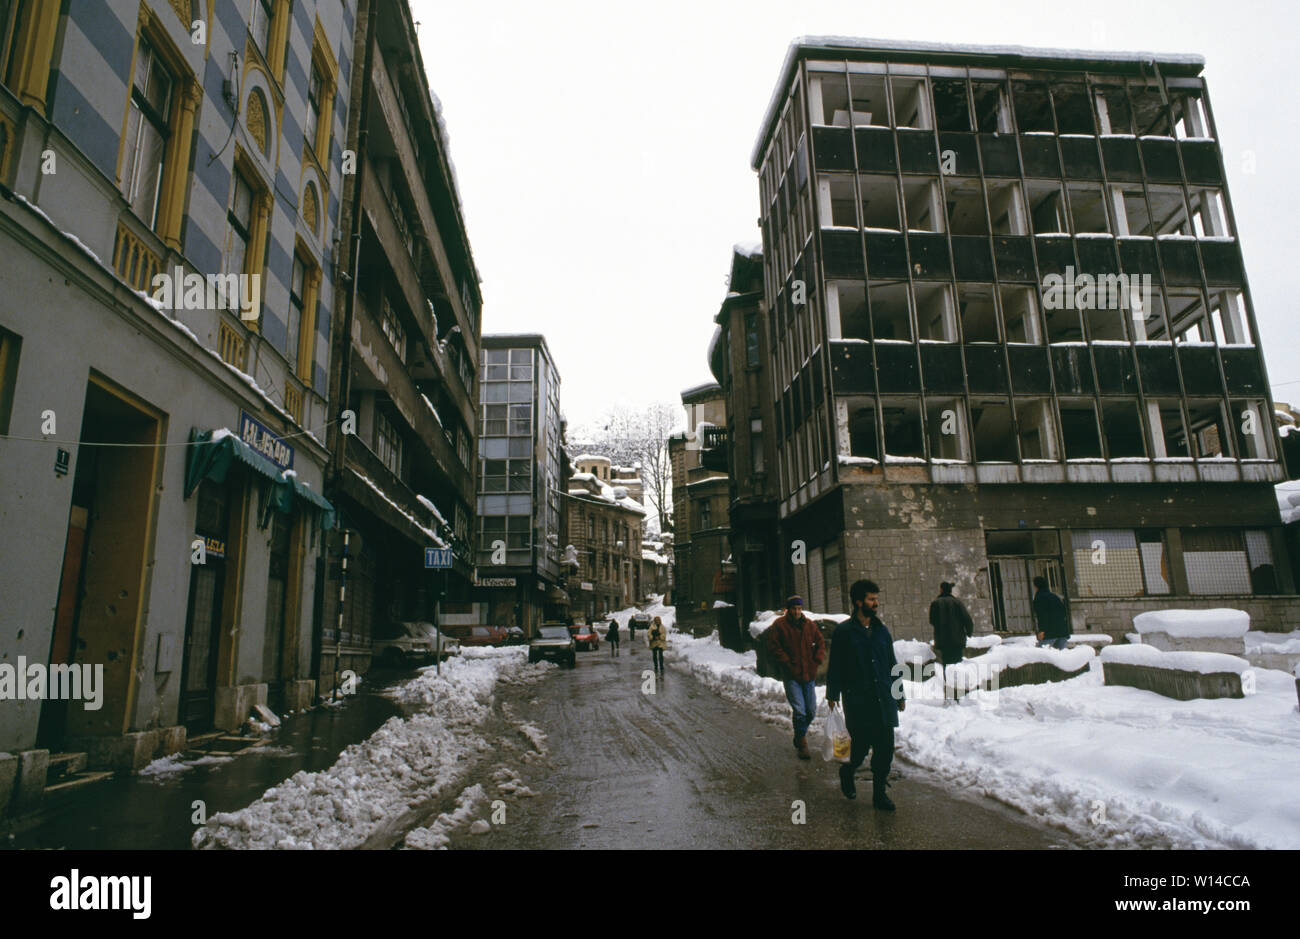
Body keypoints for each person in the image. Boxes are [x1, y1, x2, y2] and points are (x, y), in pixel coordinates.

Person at [826, 579, 904, 809]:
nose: (876, 603)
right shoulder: (844, 632)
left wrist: (899, 694)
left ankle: (879, 794)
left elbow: (892, 663)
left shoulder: (881, 630)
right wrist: (832, 694)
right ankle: (847, 772)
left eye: (876, 599)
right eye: (871, 599)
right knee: (858, 751)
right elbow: (836, 666)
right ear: (859, 602)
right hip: (858, 701)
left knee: (885, 750)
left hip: (883, 700)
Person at [764, 596, 826, 761]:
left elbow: (820, 642)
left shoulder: (809, 625)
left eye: (799, 608)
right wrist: (786, 662)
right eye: (794, 609)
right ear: (788, 609)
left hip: (808, 674)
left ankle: (799, 735)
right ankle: (803, 743)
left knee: (811, 710)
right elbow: (773, 646)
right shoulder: (779, 626)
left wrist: (817, 659)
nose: (797, 612)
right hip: (791, 675)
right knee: (799, 710)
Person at [929, 581, 974, 700]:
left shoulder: (935, 603)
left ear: (941, 590)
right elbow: (967, 619)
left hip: (943, 641)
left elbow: (932, 621)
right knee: (958, 665)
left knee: (947, 666)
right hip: (957, 640)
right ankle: (959, 694)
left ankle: (949, 694)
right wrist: (968, 633)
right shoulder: (958, 603)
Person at [1032, 576, 1069, 650]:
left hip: (1049, 633)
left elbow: (1042, 615)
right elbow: (1064, 613)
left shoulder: (1039, 597)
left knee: (1041, 656)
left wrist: (1042, 630)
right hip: (1062, 631)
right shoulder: (1055, 597)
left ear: (1036, 586)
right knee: (1061, 657)